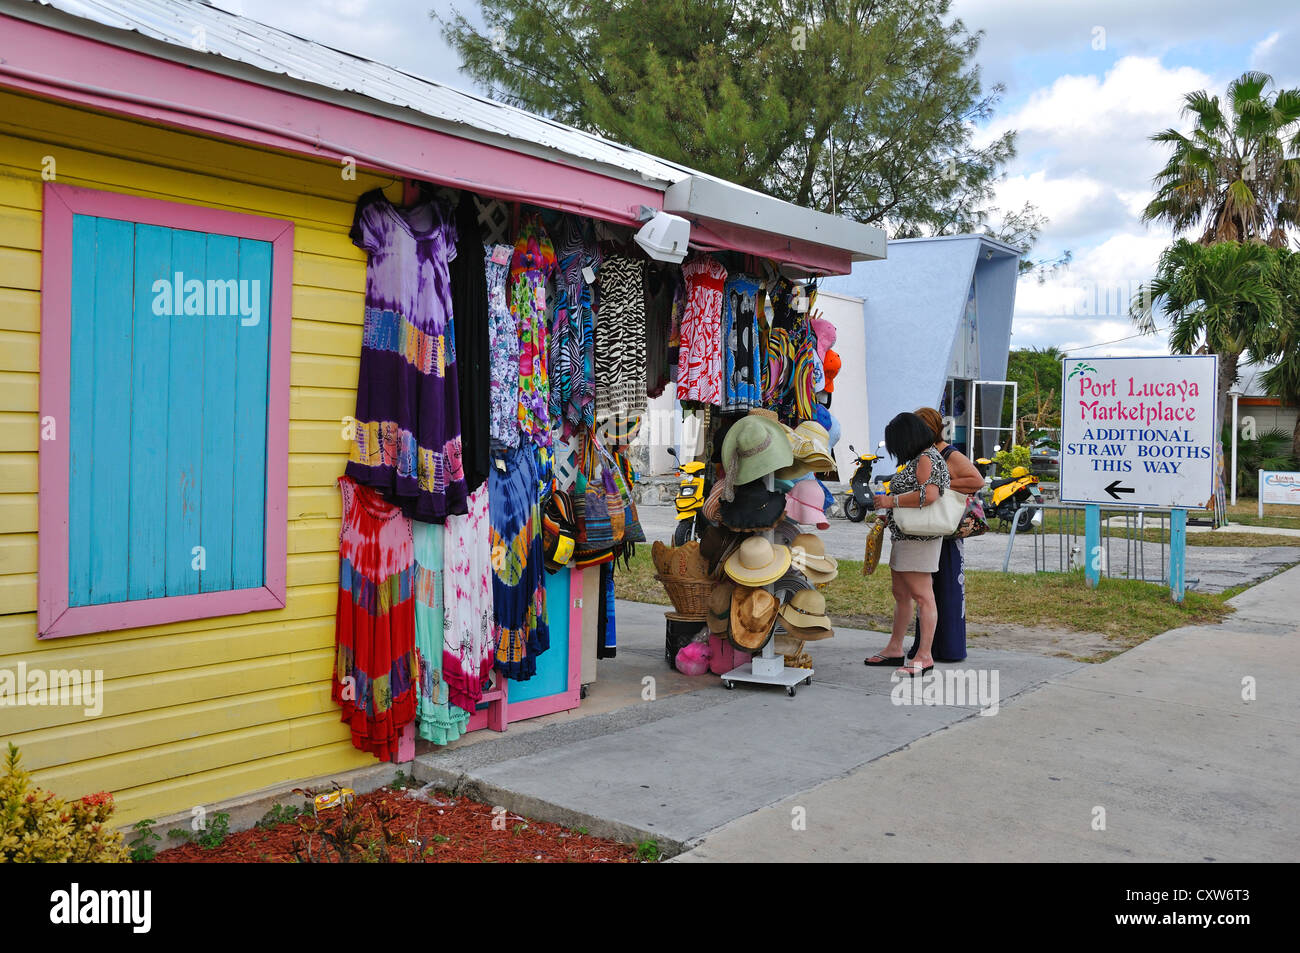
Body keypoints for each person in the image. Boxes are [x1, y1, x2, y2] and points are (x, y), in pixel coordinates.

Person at [863, 412, 951, 677]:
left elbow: (930, 495)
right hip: (905, 537)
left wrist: (892, 502)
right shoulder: (924, 457)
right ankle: (894, 648)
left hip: (918, 540)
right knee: (902, 594)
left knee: (923, 596)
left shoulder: (926, 458)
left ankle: (924, 656)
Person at [907, 406, 986, 662]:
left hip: (948, 532)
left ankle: (949, 648)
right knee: (928, 591)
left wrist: (940, 484)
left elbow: (977, 480)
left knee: (948, 590)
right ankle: (927, 646)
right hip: (930, 529)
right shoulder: (925, 453)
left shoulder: (949, 454)